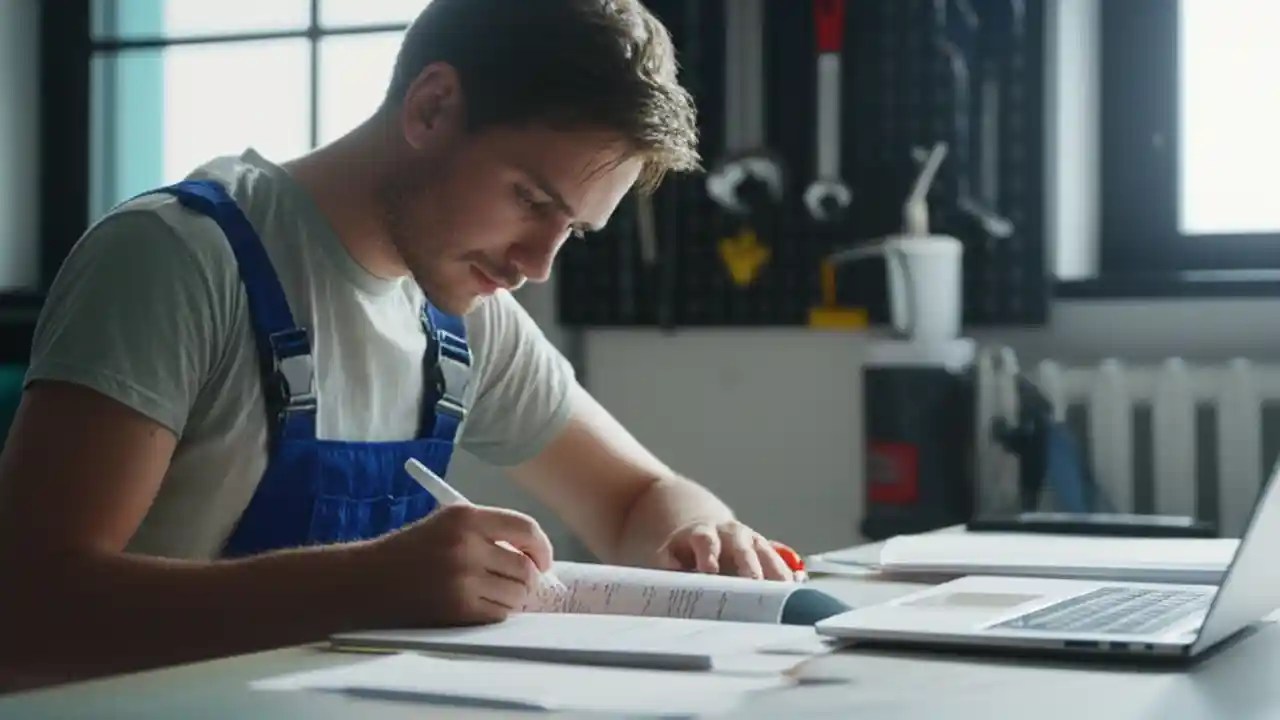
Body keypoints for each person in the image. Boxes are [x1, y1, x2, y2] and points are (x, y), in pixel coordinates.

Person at [0, 0, 798, 688]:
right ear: (430, 107)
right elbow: (26, 611)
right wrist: (361, 585)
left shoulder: (458, 317)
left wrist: (705, 536)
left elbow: (636, 499)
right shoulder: (175, 261)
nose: (537, 266)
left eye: (573, 231)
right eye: (529, 199)